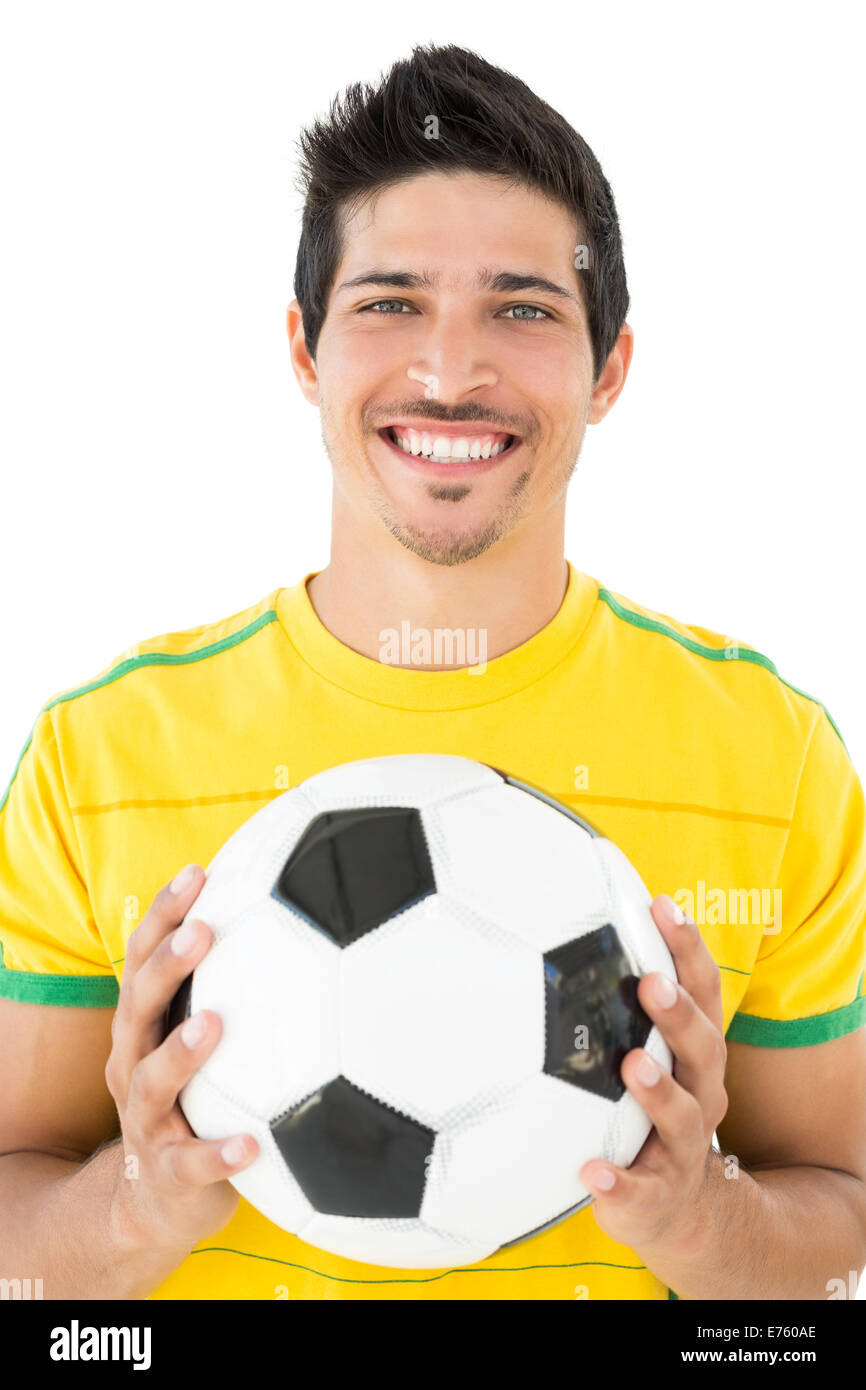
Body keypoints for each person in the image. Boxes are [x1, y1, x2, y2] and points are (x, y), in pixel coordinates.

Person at [1, 43, 864, 1302]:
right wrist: (138, 1202)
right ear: (305, 352)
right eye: (388, 302)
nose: (450, 370)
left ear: (606, 368)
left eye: (522, 308)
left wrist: (704, 1224)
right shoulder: (102, 753)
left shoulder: (765, 752)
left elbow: (835, 1197)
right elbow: (16, 1195)